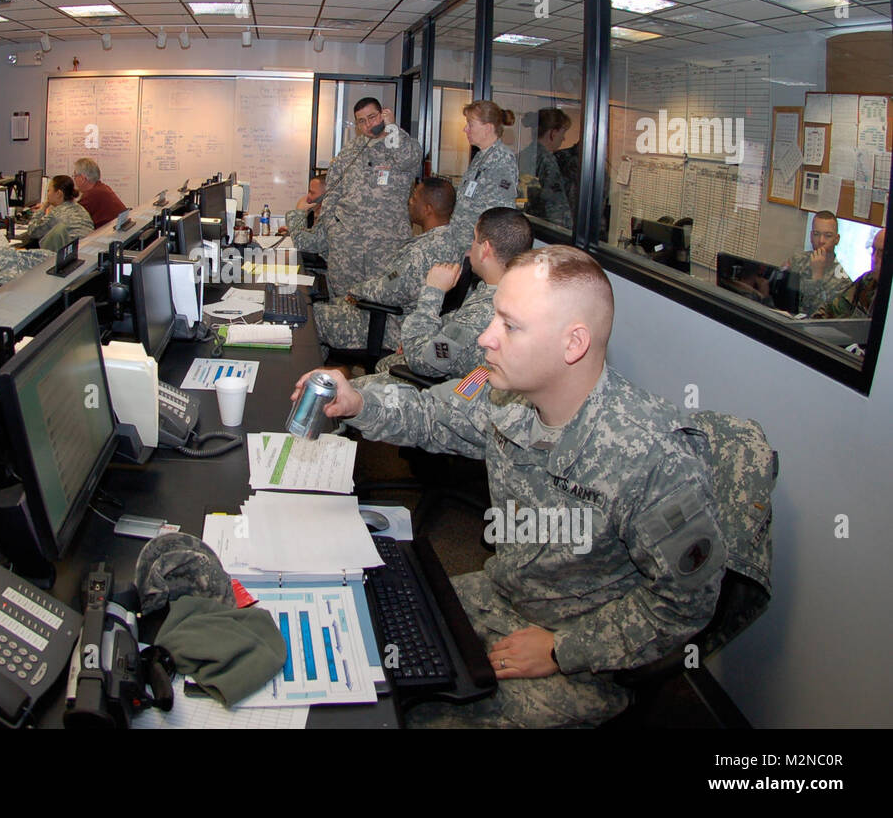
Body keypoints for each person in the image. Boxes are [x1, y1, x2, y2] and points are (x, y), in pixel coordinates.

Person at [294, 246, 726, 727]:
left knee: (413, 716)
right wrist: (359, 403)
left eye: (509, 325)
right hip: (503, 591)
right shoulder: (501, 391)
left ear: (573, 344)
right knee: (363, 633)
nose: (485, 338)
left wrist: (563, 650)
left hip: (582, 649)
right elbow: (433, 412)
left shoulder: (653, 456)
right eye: (494, 318)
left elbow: (684, 605)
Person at [379, 206, 533, 376]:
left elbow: (424, 362)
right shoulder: (509, 289)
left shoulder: (481, 313)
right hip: (457, 375)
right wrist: (418, 336)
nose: (469, 250)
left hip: (449, 391)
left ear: (485, 249)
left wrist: (433, 291)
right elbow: (456, 325)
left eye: (474, 240)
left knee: (380, 370)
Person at [313, 177, 456, 352]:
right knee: (328, 306)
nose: (409, 202)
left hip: (391, 327)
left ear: (428, 210)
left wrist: (356, 290)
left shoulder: (424, 251)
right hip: (399, 318)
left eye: (414, 199)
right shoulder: (450, 242)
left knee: (312, 317)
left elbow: (389, 290)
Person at [318, 98, 423, 297]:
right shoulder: (350, 150)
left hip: (386, 247)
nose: (368, 125)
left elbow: (407, 160)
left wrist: (391, 128)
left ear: (383, 114)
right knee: (345, 302)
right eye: (361, 121)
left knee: (382, 304)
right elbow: (331, 192)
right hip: (347, 247)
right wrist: (333, 229)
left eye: (372, 117)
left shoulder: (400, 144)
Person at [448, 100, 519, 255]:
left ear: (487, 128)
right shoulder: (482, 156)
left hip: (479, 251)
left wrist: (480, 250)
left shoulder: (502, 158)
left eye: (470, 124)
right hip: (463, 245)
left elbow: (500, 214)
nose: (465, 129)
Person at [784, 211, 852, 315]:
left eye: (828, 236)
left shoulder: (843, 282)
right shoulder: (797, 260)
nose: (821, 241)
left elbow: (817, 316)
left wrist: (817, 276)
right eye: (816, 234)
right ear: (811, 236)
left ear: (836, 239)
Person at [815, 228, 884, 319]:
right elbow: (832, 310)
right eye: (874, 250)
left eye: (882, 254)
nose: (874, 258)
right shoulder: (868, 281)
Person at [525, 108, 573, 229]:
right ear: (553, 133)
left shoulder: (525, 155)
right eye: (563, 133)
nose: (563, 138)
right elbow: (556, 206)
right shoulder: (548, 161)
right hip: (543, 229)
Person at [20, 174, 95, 252]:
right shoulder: (80, 208)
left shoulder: (56, 214)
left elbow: (32, 231)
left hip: (71, 255)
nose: (47, 194)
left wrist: (43, 208)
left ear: (58, 193)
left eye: (49, 190)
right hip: (86, 250)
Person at [72, 157, 126, 227]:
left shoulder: (92, 195)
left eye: (75, 176)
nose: (74, 180)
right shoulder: (102, 187)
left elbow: (73, 217)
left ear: (82, 178)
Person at [282, 175, 328, 254]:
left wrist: (299, 212)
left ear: (326, 196)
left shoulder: (333, 219)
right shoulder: (321, 216)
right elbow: (315, 235)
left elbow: (302, 244)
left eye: (312, 193)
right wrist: (293, 230)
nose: (307, 197)